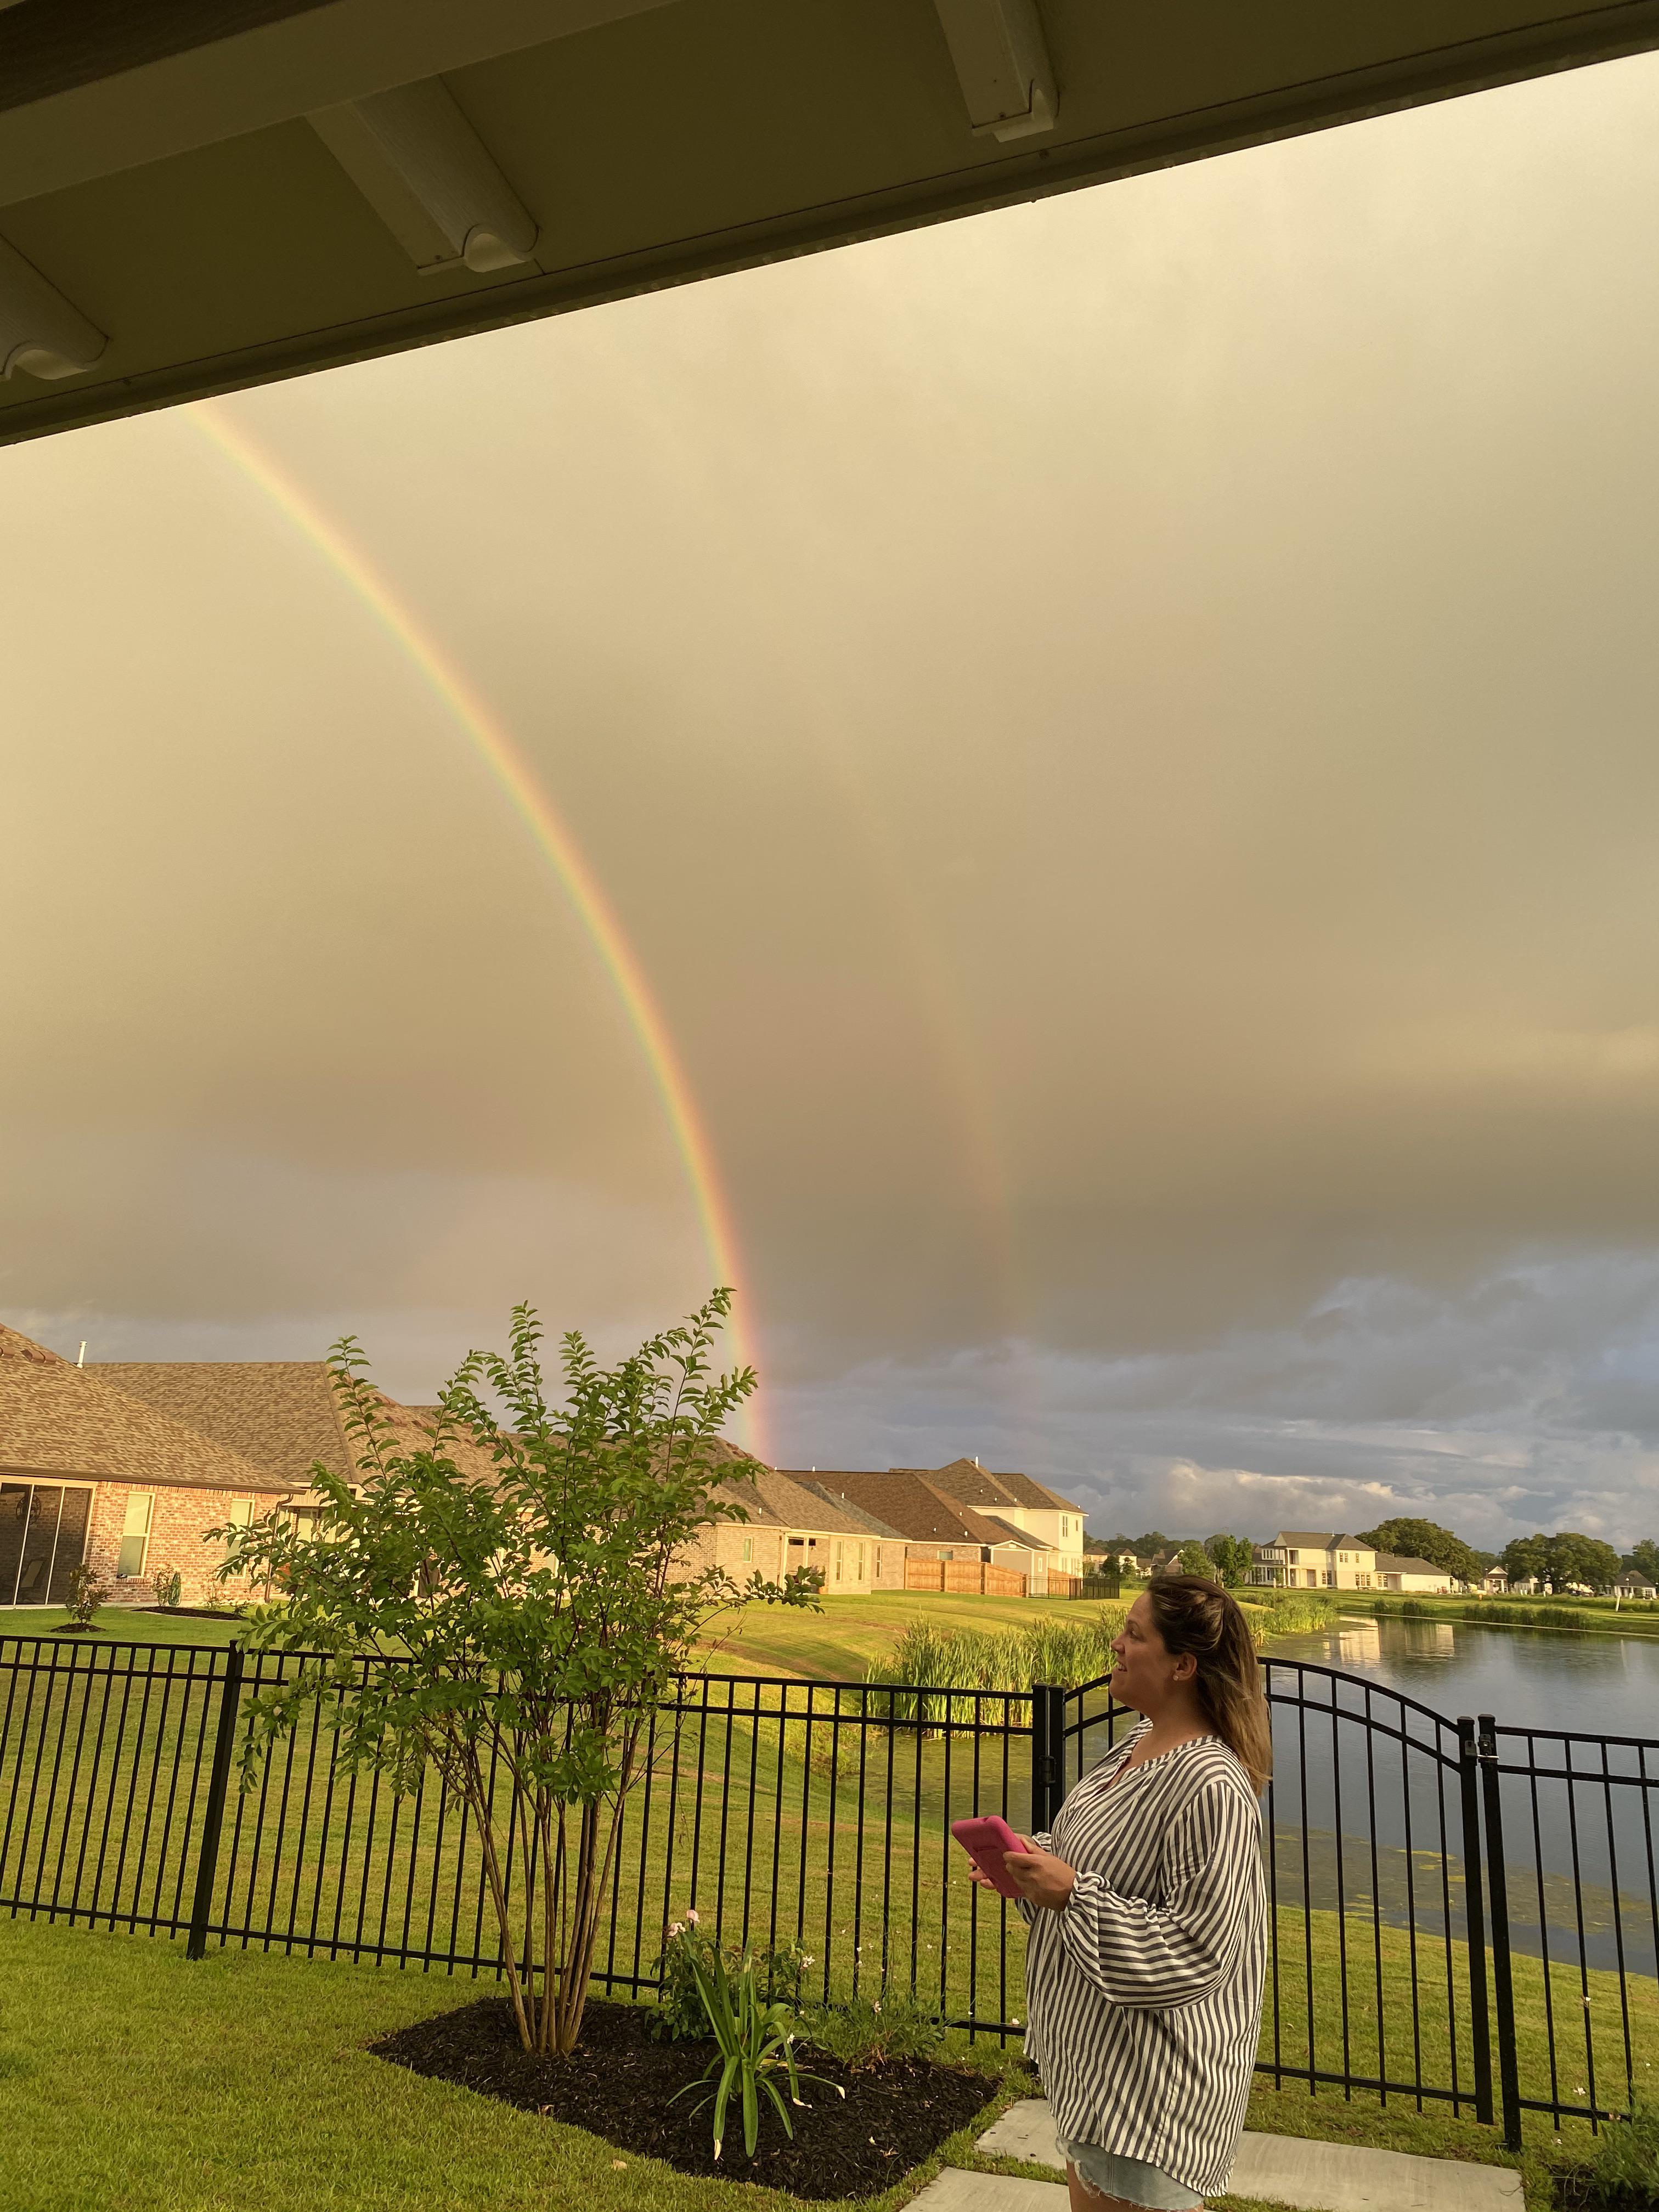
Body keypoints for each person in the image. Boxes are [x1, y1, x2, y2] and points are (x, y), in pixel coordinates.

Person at [970, 1573, 1270, 2211]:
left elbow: (1197, 1953)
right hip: (1098, 2074)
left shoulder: (1209, 1783)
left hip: (1150, 2097)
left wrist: (1073, 1894)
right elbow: (1090, 1865)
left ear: (1184, 1664)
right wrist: (1029, 1866)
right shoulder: (1137, 1741)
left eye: (1134, 1635)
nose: (1116, 1643)